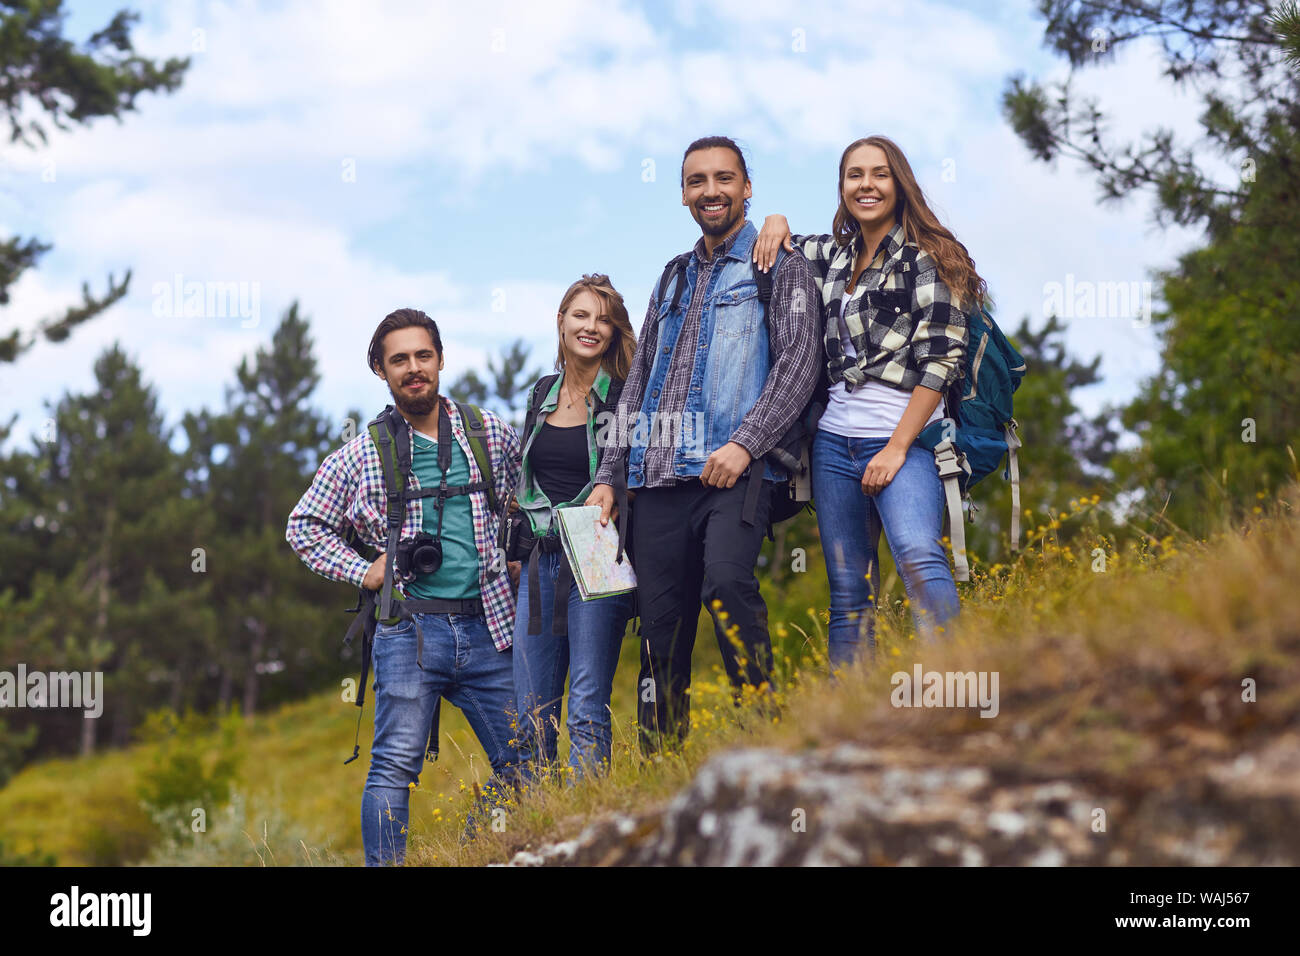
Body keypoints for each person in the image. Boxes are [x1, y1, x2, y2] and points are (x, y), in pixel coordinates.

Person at [587, 135, 820, 752]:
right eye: (697, 181)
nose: (710, 191)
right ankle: (661, 763)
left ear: (747, 188)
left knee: (726, 585)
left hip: (731, 473)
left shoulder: (781, 265)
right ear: (684, 193)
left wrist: (747, 444)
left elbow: (799, 362)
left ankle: (763, 735)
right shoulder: (671, 277)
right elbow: (637, 383)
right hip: (655, 480)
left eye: (724, 179)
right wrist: (611, 474)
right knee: (660, 631)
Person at [286, 308, 523, 866]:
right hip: (409, 630)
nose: (414, 369)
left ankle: (469, 854)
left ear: (440, 359)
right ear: (380, 370)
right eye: (400, 360)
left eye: (423, 356)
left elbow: (527, 499)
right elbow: (302, 526)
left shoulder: (491, 433)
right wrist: (364, 569)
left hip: (492, 624)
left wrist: (515, 555)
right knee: (393, 765)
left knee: (530, 755)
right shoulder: (360, 454)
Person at [753, 134, 981, 667]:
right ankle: (849, 715)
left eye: (879, 174)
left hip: (905, 438)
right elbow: (782, 244)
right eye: (854, 175)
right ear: (842, 187)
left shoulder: (928, 257)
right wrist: (775, 218)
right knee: (849, 591)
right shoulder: (834, 255)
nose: (866, 185)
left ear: (899, 184)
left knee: (919, 556)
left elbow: (944, 358)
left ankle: (953, 688)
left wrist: (896, 449)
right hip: (834, 444)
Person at [511, 274, 637, 781]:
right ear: (560, 322)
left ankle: (584, 818)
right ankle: (537, 819)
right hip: (542, 560)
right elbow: (526, 479)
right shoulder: (541, 393)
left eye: (604, 319)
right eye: (581, 315)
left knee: (586, 701)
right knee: (531, 707)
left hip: (597, 548)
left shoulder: (625, 394)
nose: (591, 327)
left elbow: (630, 471)